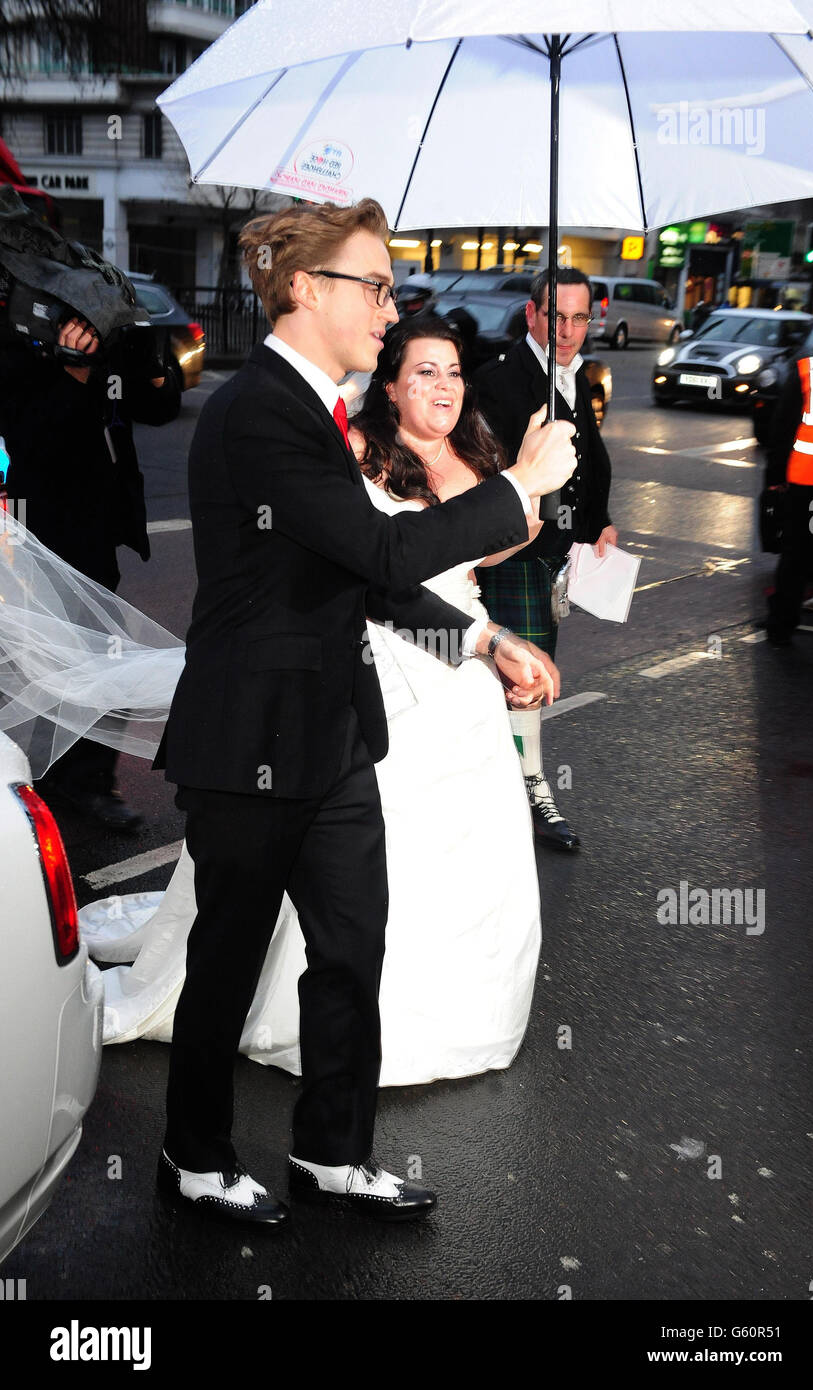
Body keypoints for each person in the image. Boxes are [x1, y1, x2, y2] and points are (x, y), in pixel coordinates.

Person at [150, 197, 577, 1227]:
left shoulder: (317, 411)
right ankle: (193, 1157)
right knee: (229, 957)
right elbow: (385, 551)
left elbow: (370, 584)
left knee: (352, 948)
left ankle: (330, 1153)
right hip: (250, 740)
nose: (390, 309)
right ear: (306, 290)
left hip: (336, 735)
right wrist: (518, 485)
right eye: (374, 285)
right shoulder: (258, 410)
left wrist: (484, 639)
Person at [73, 315, 547, 1111]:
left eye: (454, 372)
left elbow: (472, 557)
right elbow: (382, 572)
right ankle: (239, 1118)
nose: (442, 387)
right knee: (359, 870)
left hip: (460, 671)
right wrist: (488, 610)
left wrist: (519, 521)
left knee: (464, 854)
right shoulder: (354, 451)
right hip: (389, 659)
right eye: (423, 372)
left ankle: (444, 1024)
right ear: (390, 383)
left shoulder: (477, 452)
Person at [0, 315, 180, 830]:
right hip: (46, 527)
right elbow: (34, 437)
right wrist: (72, 372)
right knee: (82, 649)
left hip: (99, 523)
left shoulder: (107, 342)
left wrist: (153, 366)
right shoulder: (20, 351)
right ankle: (79, 780)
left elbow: (160, 409)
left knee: (77, 651)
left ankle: (63, 774)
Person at [474, 268, 616, 850]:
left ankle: (513, 787)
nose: (568, 329)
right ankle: (529, 793)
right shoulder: (501, 381)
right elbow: (488, 472)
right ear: (530, 315)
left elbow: (588, 457)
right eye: (556, 316)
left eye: (580, 317)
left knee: (524, 676)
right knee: (521, 676)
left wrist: (598, 519)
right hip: (513, 552)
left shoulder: (575, 376)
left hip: (555, 555)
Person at [765, 323, 813, 645]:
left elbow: (782, 430)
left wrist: (775, 479)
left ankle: (781, 623)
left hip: (809, 482)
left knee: (797, 554)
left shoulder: (809, 371)